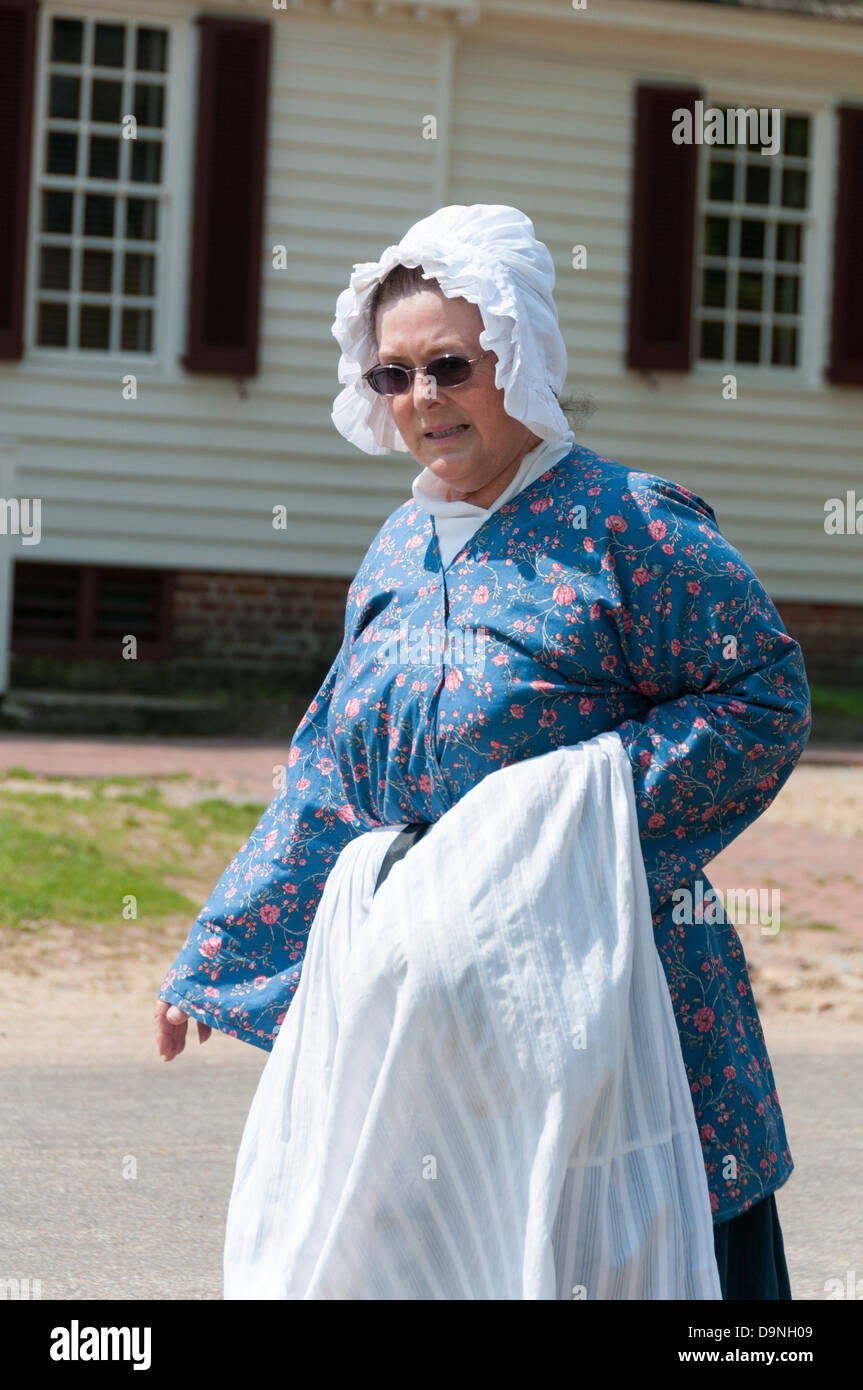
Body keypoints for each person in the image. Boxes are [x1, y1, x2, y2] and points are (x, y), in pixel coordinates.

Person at [155, 203, 811, 1300]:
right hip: (438, 1042)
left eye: (449, 365)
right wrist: (214, 956)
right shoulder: (399, 548)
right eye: (391, 374)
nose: (420, 399)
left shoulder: (627, 526)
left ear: (520, 354)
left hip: (616, 1009)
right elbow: (332, 775)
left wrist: (557, 834)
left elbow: (761, 696)